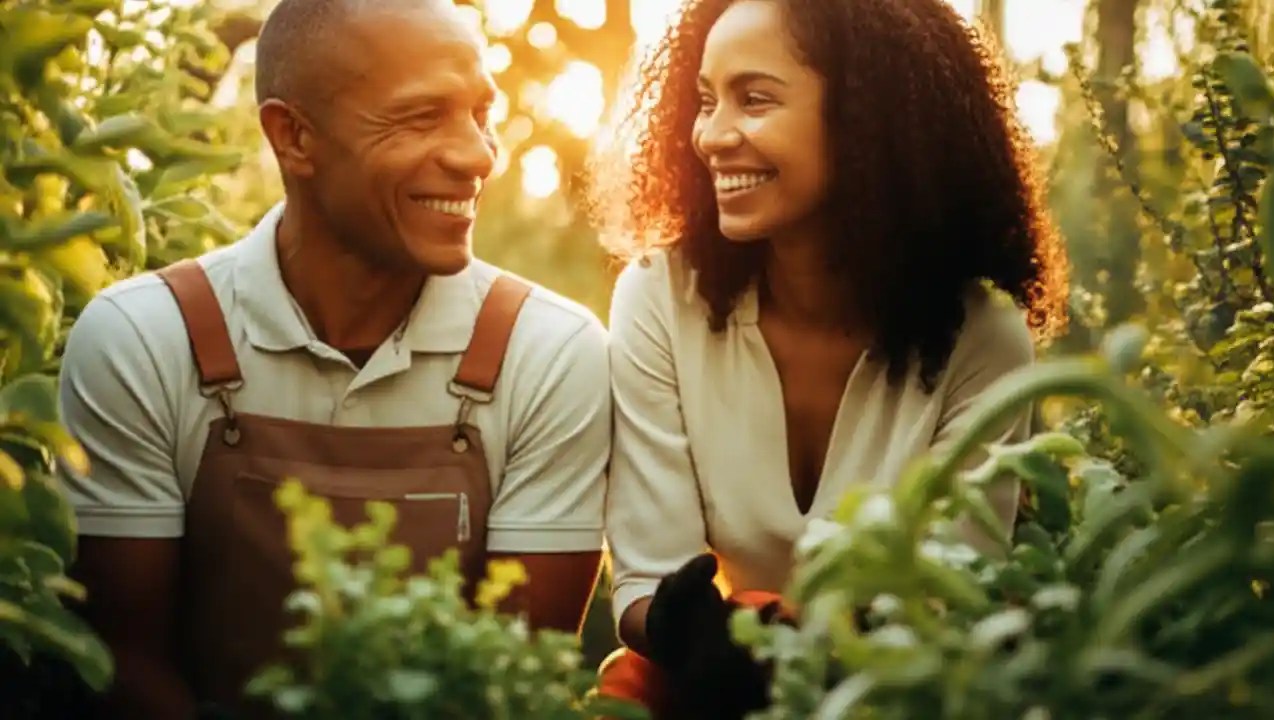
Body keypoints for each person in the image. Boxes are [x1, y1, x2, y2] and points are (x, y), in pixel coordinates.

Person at [56, 1, 610, 718]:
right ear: (294, 138)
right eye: (421, 117)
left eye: (481, 113)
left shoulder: (549, 353)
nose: (477, 154)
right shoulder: (143, 337)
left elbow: (513, 683)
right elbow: (126, 667)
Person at [588, 0, 1071, 716]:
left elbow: (954, 594)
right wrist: (696, 635)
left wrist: (809, 665)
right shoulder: (660, 299)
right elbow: (646, 584)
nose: (711, 136)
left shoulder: (983, 335)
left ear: (867, 116)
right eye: (705, 100)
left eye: (754, 99)